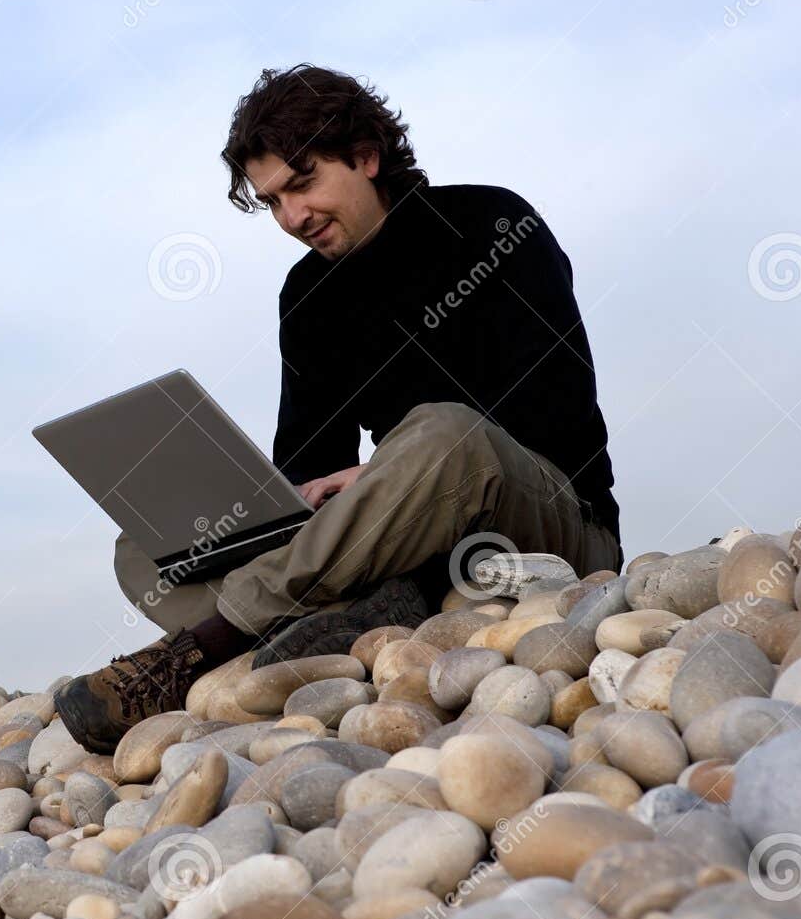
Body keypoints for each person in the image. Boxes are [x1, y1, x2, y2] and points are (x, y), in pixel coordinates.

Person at [54, 63, 624, 754]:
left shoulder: (493, 223)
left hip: (551, 522)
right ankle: (340, 617)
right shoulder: (308, 295)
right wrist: (289, 498)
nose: (291, 217)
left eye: (303, 184)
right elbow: (309, 463)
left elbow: (558, 414)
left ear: (366, 155)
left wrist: (383, 472)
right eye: (272, 201)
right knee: (147, 544)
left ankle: (210, 644)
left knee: (445, 433)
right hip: (400, 539)